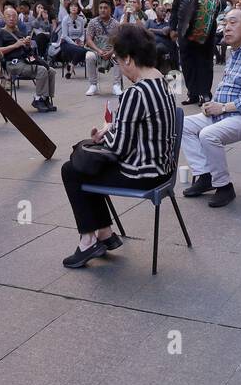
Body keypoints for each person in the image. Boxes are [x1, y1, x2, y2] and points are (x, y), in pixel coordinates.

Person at [60, 24, 179, 268]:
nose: (119, 67)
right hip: (163, 168)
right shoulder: (161, 82)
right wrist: (111, 129)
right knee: (88, 165)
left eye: (117, 60)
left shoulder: (136, 93)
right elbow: (144, 124)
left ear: (127, 58)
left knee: (72, 170)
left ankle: (88, 240)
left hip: (143, 174)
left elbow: (118, 150)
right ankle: (104, 233)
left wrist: (104, 138)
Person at [180, 8, 241, 208]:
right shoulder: (234, 54)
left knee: (207, 135)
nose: (226, 28)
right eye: (225, 23)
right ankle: (205, 176)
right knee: (182, 124)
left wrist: (222, 107)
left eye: (232, 22)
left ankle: (224, 186)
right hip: (223, 113)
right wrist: (210, 105)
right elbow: (226, 90)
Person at [170, 0, 226, 105]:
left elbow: (223, 4)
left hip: (204, 34)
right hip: (184, 33)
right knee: (187, 64)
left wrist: (217, 1)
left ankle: (205, 94)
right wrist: (172, 28)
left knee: (204, 63)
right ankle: (192, 94)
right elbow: (175, 9)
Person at [0, 5, 56, 112]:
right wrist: (15, 45)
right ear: (4, 18)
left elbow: (26, 50)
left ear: (17, 19)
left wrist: (27, 44)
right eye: (8, 16)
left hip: (26, 60)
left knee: (51, 71)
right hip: (13, 63)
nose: (11, 18)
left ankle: (45, 98)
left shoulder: (19, 33)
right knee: (41, 71)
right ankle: (38, 99)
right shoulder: (0, 33)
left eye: (14, 16)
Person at [83, 0, 120, 97]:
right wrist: (98, 51)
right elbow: (89, 40)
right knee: (89, 56)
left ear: (110, 10)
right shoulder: (93, 22)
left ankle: (116, 85)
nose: (103, 10)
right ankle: (93, 85)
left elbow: (119, 41)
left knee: (119, 56)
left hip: (111, 51)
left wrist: (111, 52)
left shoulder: (116, 24)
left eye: (105, 8)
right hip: (96, 50)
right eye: (101, 8)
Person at [54, 1, 90, 78]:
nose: (73, 8)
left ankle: (71, 67)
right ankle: (71, 68)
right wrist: (74, 44)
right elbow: (65, 36)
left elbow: (83, 33)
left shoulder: (81, 20)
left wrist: (81, 40)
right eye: (71, 6)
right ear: (69, 8)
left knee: (82, 50)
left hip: (77, 42)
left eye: (75, 6)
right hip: (66, 42)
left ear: (78, 9)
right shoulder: (65, 20)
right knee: (82, 51)